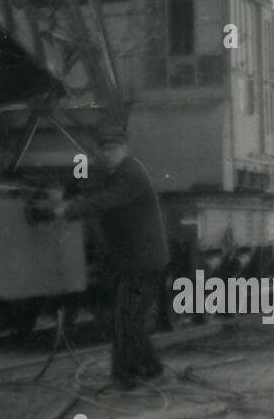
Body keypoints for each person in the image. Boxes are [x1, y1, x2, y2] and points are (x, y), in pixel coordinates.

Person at [31, 127, 171, 389]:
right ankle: (141, 373)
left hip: (142, 260)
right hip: (134, 260)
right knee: (126, 319)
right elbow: (92, 188)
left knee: (126, 320)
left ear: (125, 149)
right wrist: (65, 194)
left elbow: (105, 199)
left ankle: (136, 375)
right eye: (104, 150)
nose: (107, 154)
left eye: (112, 150)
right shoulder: (116, 172)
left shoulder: (130, 174)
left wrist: (64, 210)